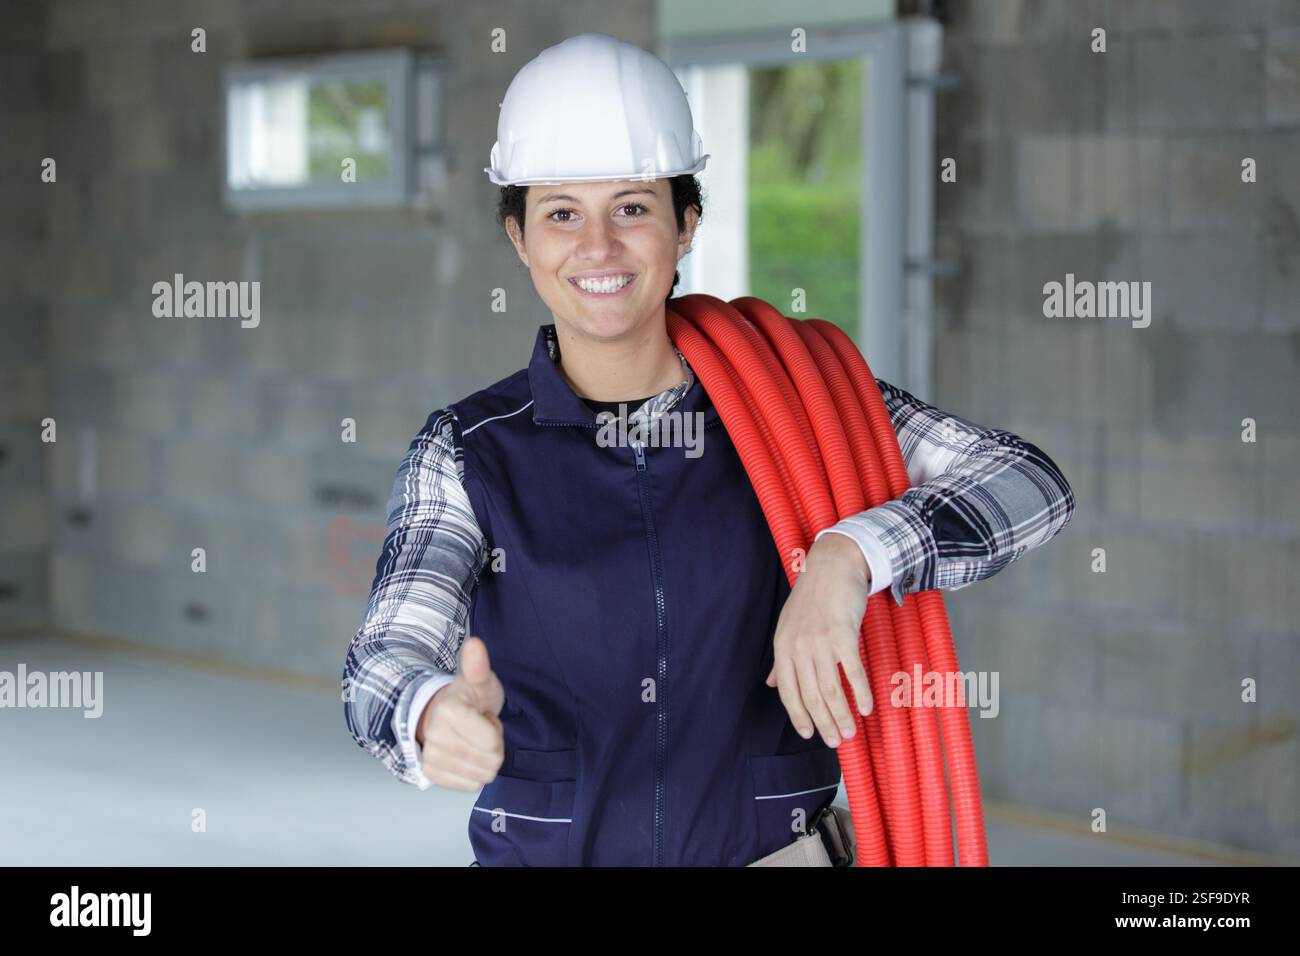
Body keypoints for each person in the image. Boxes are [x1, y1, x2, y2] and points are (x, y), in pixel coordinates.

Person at [342, 32, 1074, 867]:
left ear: (686, 224)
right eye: (560, 213)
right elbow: (382, 657)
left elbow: (1030, 486)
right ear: (519, 237)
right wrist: (428, 710)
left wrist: (850, 557)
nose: (597, 247)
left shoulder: (799, 408)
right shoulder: (469, 453)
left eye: (632, 207)